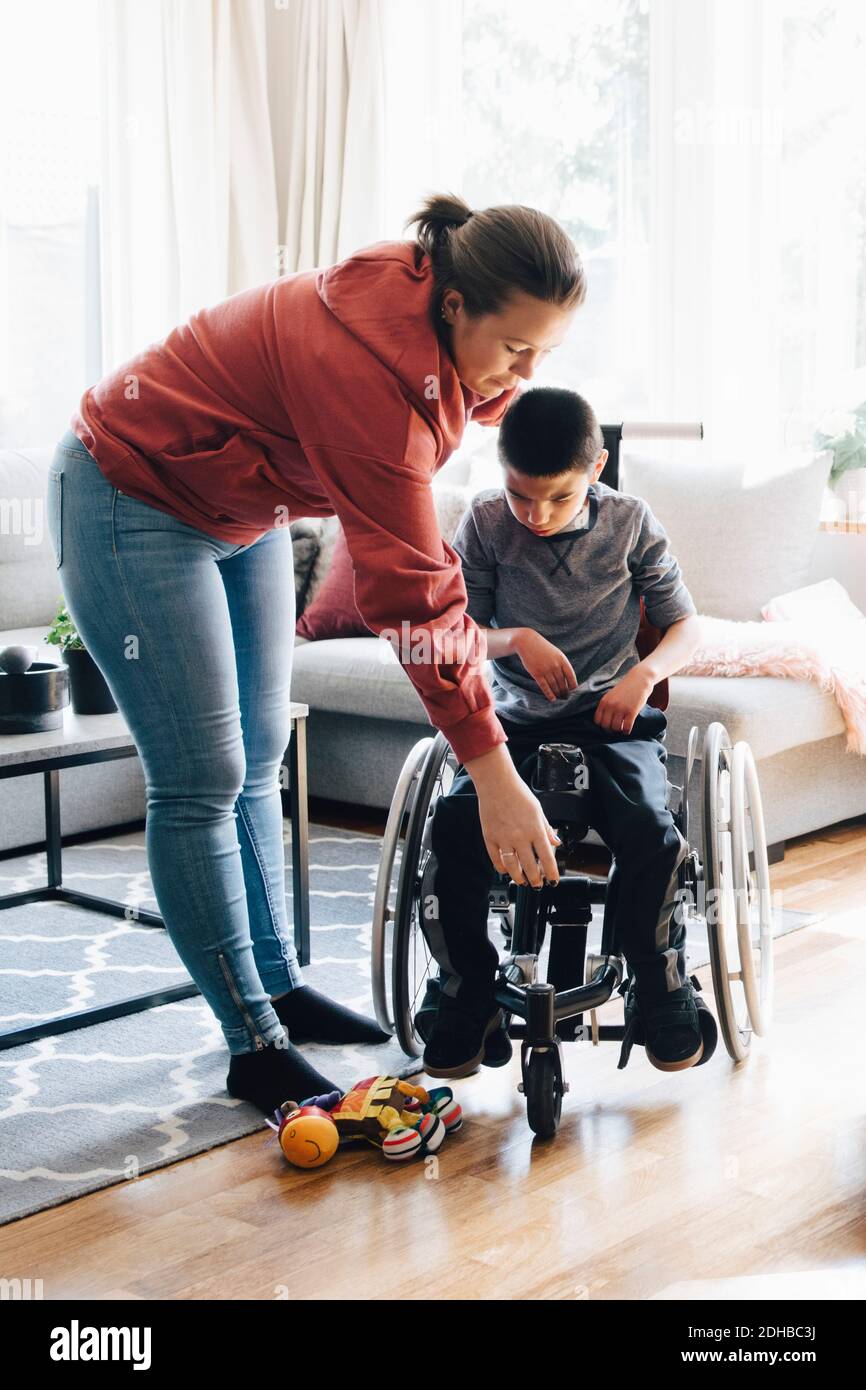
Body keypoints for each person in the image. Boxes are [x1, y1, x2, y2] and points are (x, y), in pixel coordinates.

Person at [45, 194, 586, 1115]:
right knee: (201, 775)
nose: (526, 376)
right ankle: (251, 1042)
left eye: (547, 351)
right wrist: (491, 769)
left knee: (261, 756)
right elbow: (414, 598)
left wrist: (509, 386)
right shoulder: (366, 375)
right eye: (515, 349)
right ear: (455, 304)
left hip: (242, 509)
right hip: (127, 492)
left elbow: (462, 406)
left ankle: (279, 985)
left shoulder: (432, 300)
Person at [418, 386, 707, 1080]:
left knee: (650, 828)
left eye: (557, 498)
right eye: (521, 496)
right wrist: (518, 639)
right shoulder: (486, 523)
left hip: (613, 722)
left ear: (598, 466)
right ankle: (468, 992)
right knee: (455, 824)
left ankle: (657, 979)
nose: (536, 516)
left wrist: (641, 678)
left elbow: (685, 626)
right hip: (511, 724)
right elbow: (461, 637)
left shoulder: (631, 522)